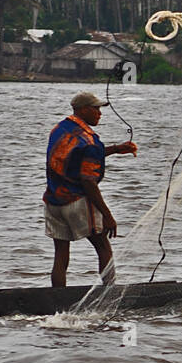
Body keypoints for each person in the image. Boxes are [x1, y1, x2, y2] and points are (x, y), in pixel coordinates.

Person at [43, 91, 137, 288]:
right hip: (78, 201)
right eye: (96, 109)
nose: (99, 114)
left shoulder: (60, 129)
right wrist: (107, 215)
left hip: (53, 202)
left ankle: (57, 298)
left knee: (60, 254)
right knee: (103, 246)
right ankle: (108, 293)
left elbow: (76, 155)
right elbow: (88, 182)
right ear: (83, 110)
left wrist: (116, 149)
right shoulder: (90, 140)